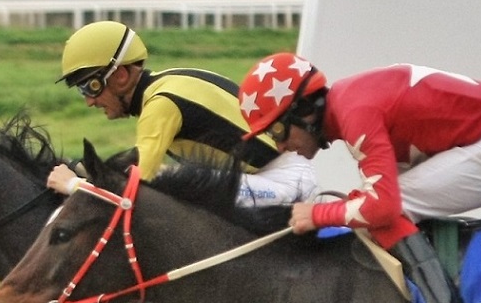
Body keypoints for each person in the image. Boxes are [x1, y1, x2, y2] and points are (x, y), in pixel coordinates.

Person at [237, 52, 481, 303]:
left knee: (384, 209)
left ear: (304, 111)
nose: (279, 147)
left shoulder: (355, 110)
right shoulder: (350, 103)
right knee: (371, 208)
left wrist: (318, 214)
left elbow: (383, 207)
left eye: (277, 131)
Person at [56, 21, 316, 206]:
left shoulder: (160, 104)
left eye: (90, 87)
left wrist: (74, 186)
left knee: (169, 192)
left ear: (121, 75)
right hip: (277, 175)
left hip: (282, 183)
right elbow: (138, 161)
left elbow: (132, 193)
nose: (90, 101)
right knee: (170, 178)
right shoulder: (168, 82)